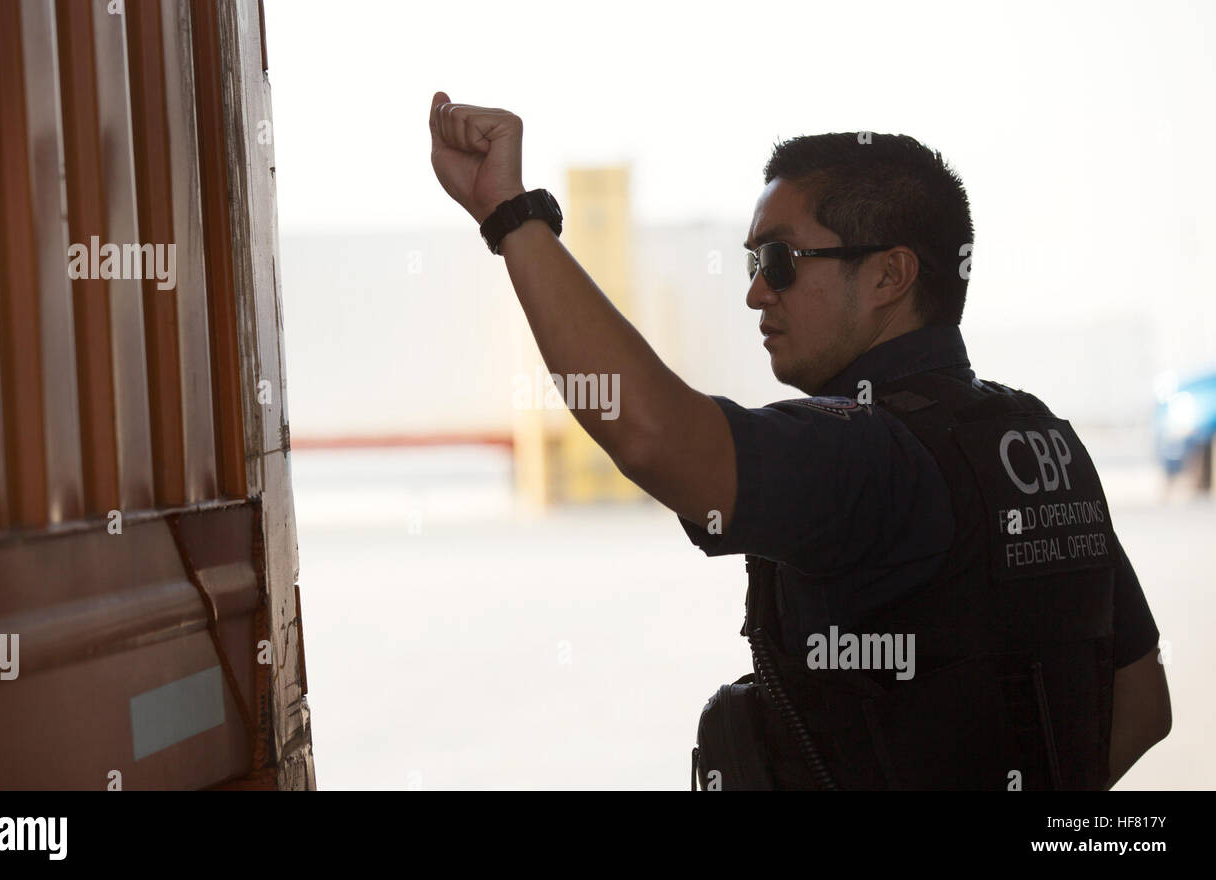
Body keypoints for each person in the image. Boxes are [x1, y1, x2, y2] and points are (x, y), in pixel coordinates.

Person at [428, 92, 1171, 790]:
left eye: (780, 260)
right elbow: (1140, 705)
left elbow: (651, 433)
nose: (756, 290)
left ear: (889, 275)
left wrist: (512, 216)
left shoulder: (868, 452)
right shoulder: (1040, 440)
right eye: (753, 262)